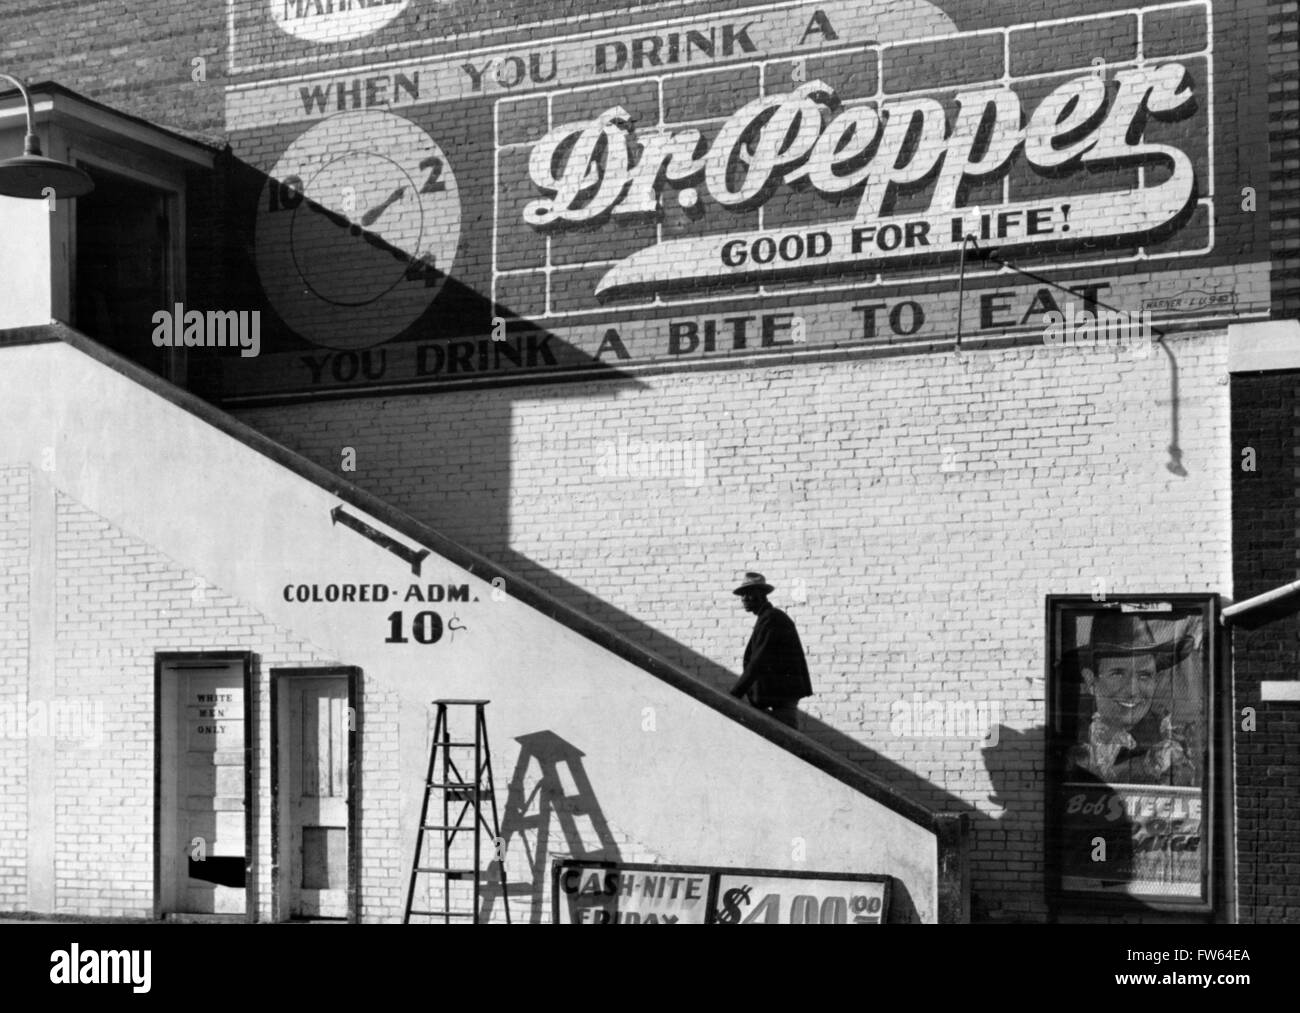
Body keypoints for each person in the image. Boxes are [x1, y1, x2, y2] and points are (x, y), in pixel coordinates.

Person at [1066, 612, 1198, 787]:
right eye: (1118, 674)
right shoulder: (1069, 731)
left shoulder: (1169, 742)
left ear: (1155, 680)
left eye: (1144, 676)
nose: (1133, 691)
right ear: (1091, 681)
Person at [728, 572, 812, 729]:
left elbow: (758, 660)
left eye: (749, 594)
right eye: (742, 595)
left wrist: (735, 694)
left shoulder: (771, 619)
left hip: (780, 698)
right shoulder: (768, 618)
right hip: (777, 697)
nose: (744, 599)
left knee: (789, 743)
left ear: (761, 594)